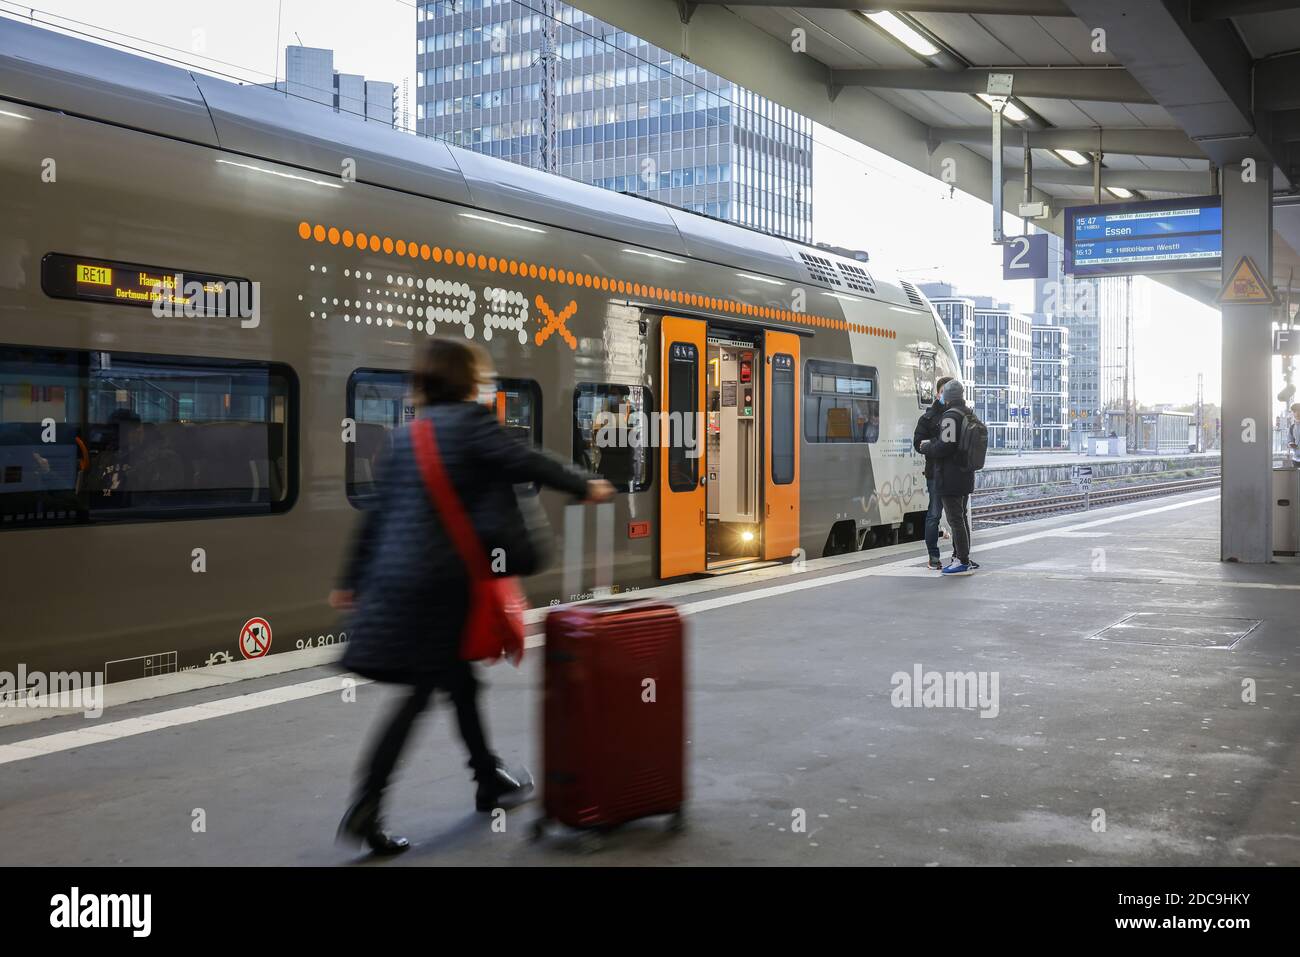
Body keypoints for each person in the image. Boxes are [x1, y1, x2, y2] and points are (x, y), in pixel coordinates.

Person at [330, 338, 614, 856]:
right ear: (466, 379)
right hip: (444, 587)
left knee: (458, 682)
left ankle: (488, 779)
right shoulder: (470, 424)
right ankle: (368, 805)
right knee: (419, 695)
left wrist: (350, 579)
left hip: (400, 584)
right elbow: (525, 460)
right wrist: (584, 484)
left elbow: (376, 514)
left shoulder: (404, 437)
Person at [919, 378, 977, 576]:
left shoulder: (951, 416)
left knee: (955, 519)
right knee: (960, 518)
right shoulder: (968, 413)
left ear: (948, 396)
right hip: (965, 474)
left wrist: (927, 447)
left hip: (950, 476)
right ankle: (962, 557)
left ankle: (962, 560)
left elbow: (946, 446)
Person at [913, 375, 952, 570]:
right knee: (934, 514)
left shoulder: (959, 415)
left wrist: (932, 446)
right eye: (944, 391)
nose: (947, 395)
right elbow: (918, 444)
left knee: (957, 516)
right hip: (935, 473)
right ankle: (933, 556)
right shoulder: (927, 418)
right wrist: (936, 446)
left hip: (955, 473)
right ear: (937, 393)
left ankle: (960, 556)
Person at [1288, 403, 1300, 468]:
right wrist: (1291, 443)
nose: (1297, 413)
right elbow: (1289, 440)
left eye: (1299, 410)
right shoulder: (1292, 427)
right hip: (1295, 460)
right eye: (1295, 411)